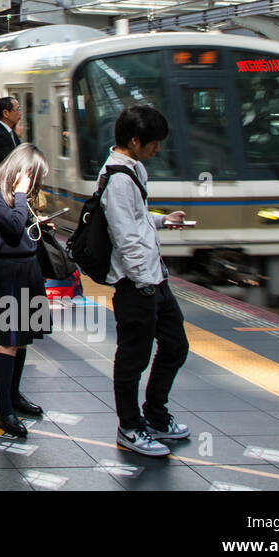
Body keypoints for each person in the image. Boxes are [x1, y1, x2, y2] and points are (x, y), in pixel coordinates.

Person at [101, 104, 191, 457]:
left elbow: (136, 221)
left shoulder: (133, 171)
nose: (158, 150)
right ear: (135, 141)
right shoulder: (118, 179)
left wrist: (161, 220)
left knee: (175, 346)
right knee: (132, 359)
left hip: (155, 278)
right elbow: (125, 237)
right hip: (136, 283)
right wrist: (143, 283)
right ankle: (130, 426)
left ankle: (155, 415)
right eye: (154, 143)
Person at [0, 144, 51, 433]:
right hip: (8, 272)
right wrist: (21, 194)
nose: (33, 183)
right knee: (8, 339)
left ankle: (14, 396)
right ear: (21, 170)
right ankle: (3, 410)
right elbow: (12, 226)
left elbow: (21, 225)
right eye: (32, 175)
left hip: (27, 269)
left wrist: (38, 222)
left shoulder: (13, 192)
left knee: (22, 338)